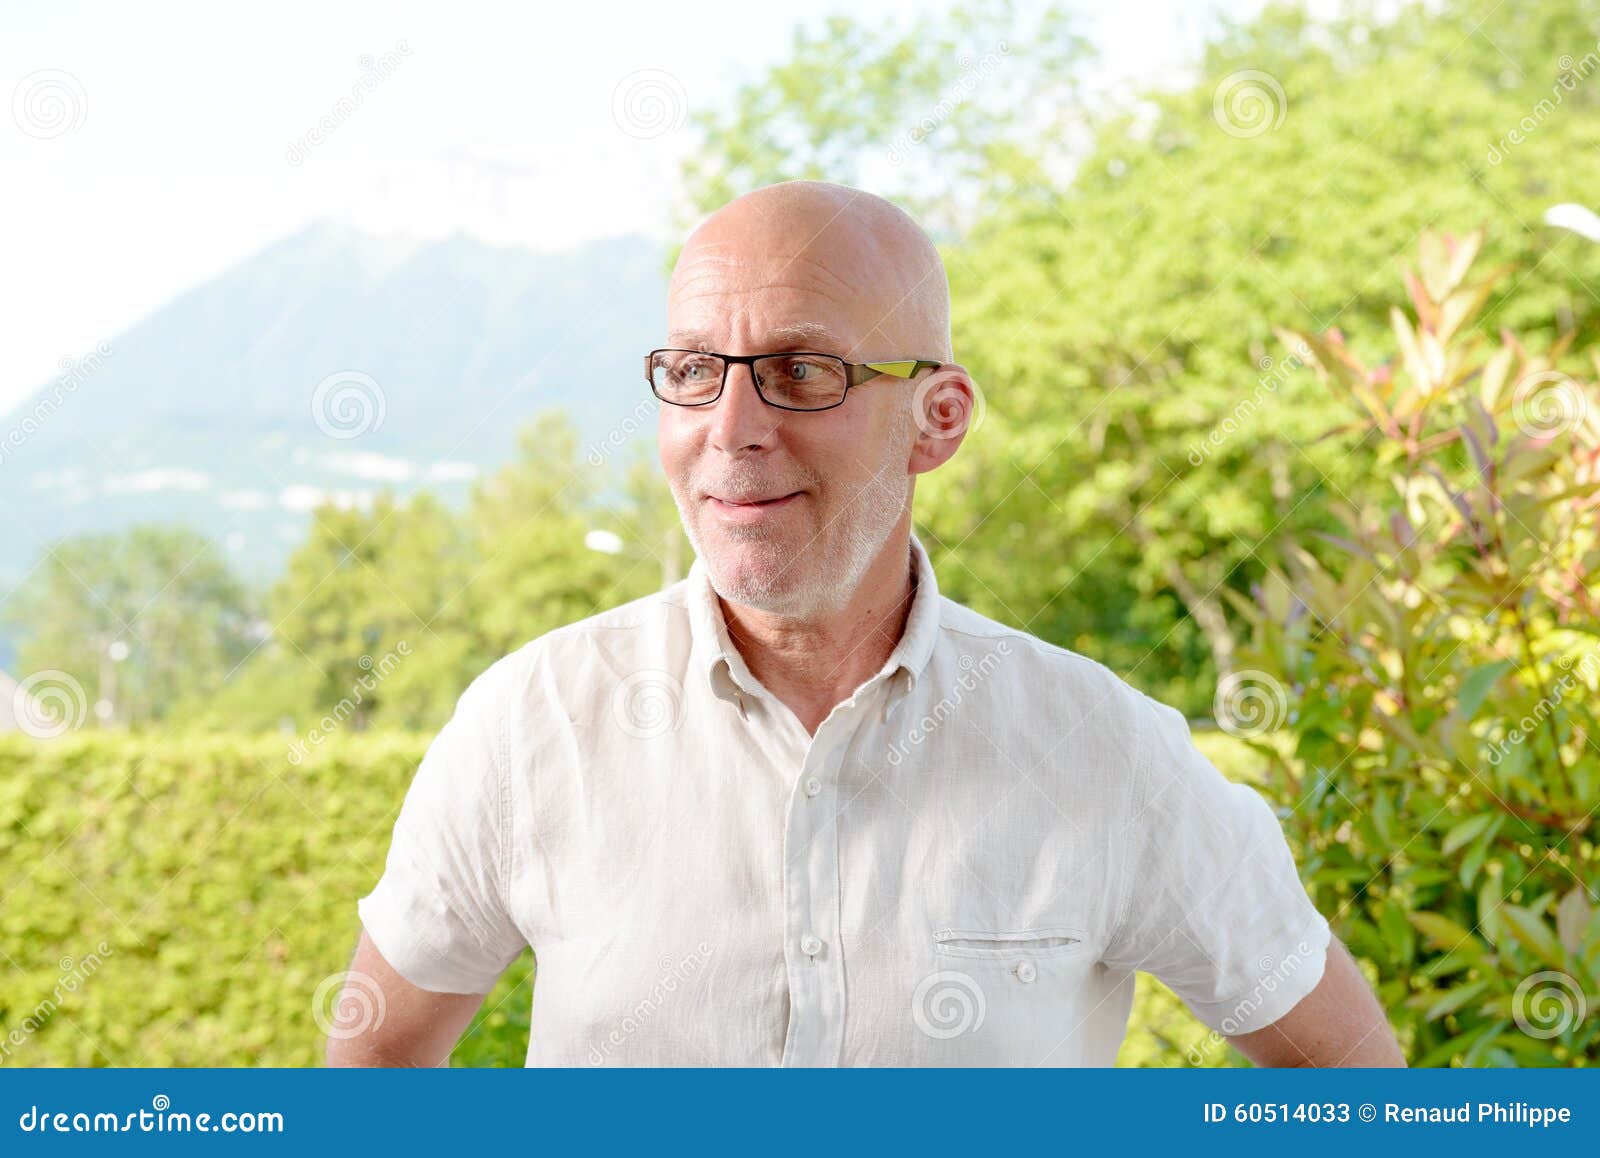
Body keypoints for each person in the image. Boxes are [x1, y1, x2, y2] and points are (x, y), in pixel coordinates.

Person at [327, 180, 1403, 1067]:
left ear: (937, 420)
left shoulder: (1105, 750)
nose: (732, 430)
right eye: (695, 372)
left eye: (803, 372)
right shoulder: (533, 723)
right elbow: (372, 1069)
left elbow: (1349, 1075)